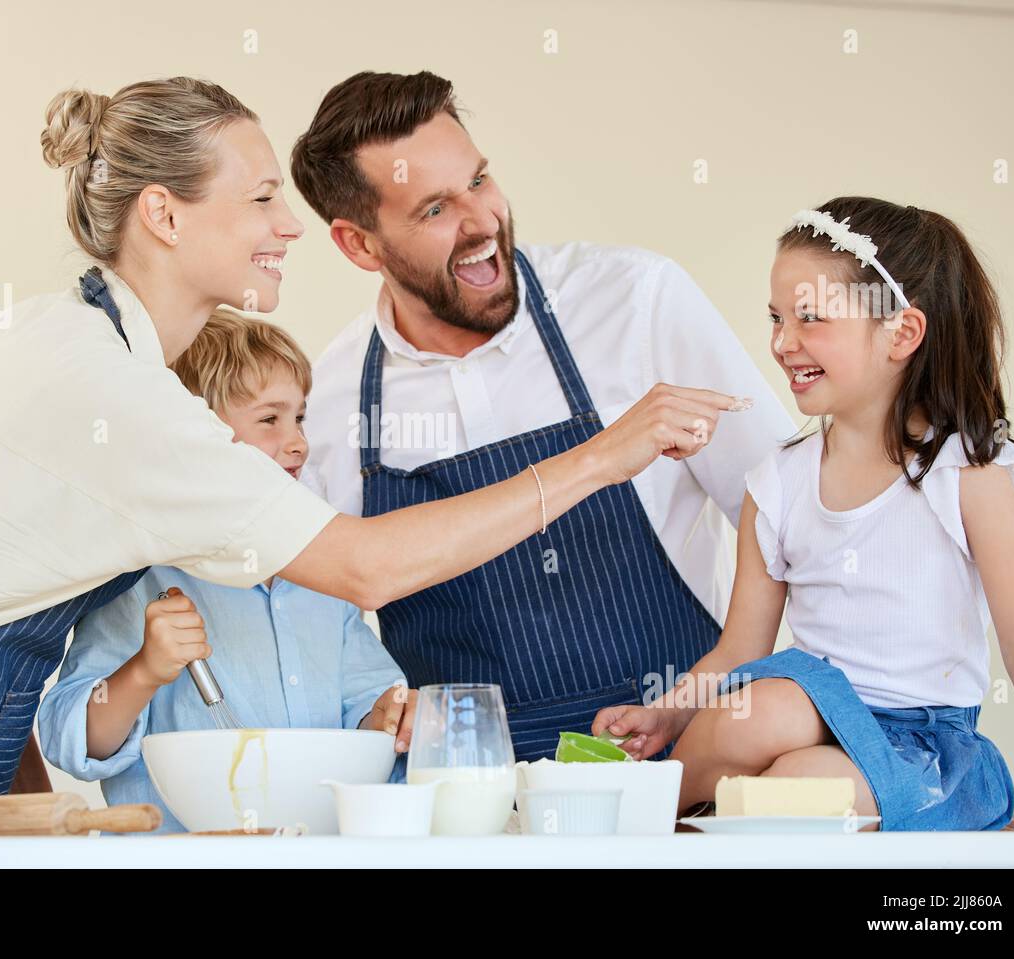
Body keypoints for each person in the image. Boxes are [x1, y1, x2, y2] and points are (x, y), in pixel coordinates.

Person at [0, 76, 743, 835]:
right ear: (164, 215)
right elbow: (364, 565)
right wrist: (601, 458)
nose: (287, 225)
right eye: (263, 197)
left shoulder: (68, 345)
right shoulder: (108, 389)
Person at [290, 70, 796, 761]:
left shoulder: (634, 303)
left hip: (677, 766)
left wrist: (724, 704)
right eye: (434, 210)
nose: (481, 222)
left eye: (479, 181)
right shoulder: (327, 404)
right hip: (463, 798)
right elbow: (319, 639)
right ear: (359, 245)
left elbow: (794, 524)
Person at [594, 197, 1014, 830]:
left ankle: (694, 817)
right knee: (757, 713)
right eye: (776, 318)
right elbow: (738, 649)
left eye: (810, 318)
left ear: (902, 334)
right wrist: (668, 714)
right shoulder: (777, 483)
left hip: (924, 748)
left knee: (794, 784)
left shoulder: (967, 476)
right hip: (812, 711)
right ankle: (627, 820)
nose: (782, 343)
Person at [38, 315, 412, 833]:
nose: (298, 443)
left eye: (300, 418)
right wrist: (145, 670)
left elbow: (367, 715)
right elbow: (74, 740)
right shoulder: (140, 579)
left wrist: (388, 716)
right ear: (197, 437)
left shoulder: (325, 584)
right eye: (270, 420)